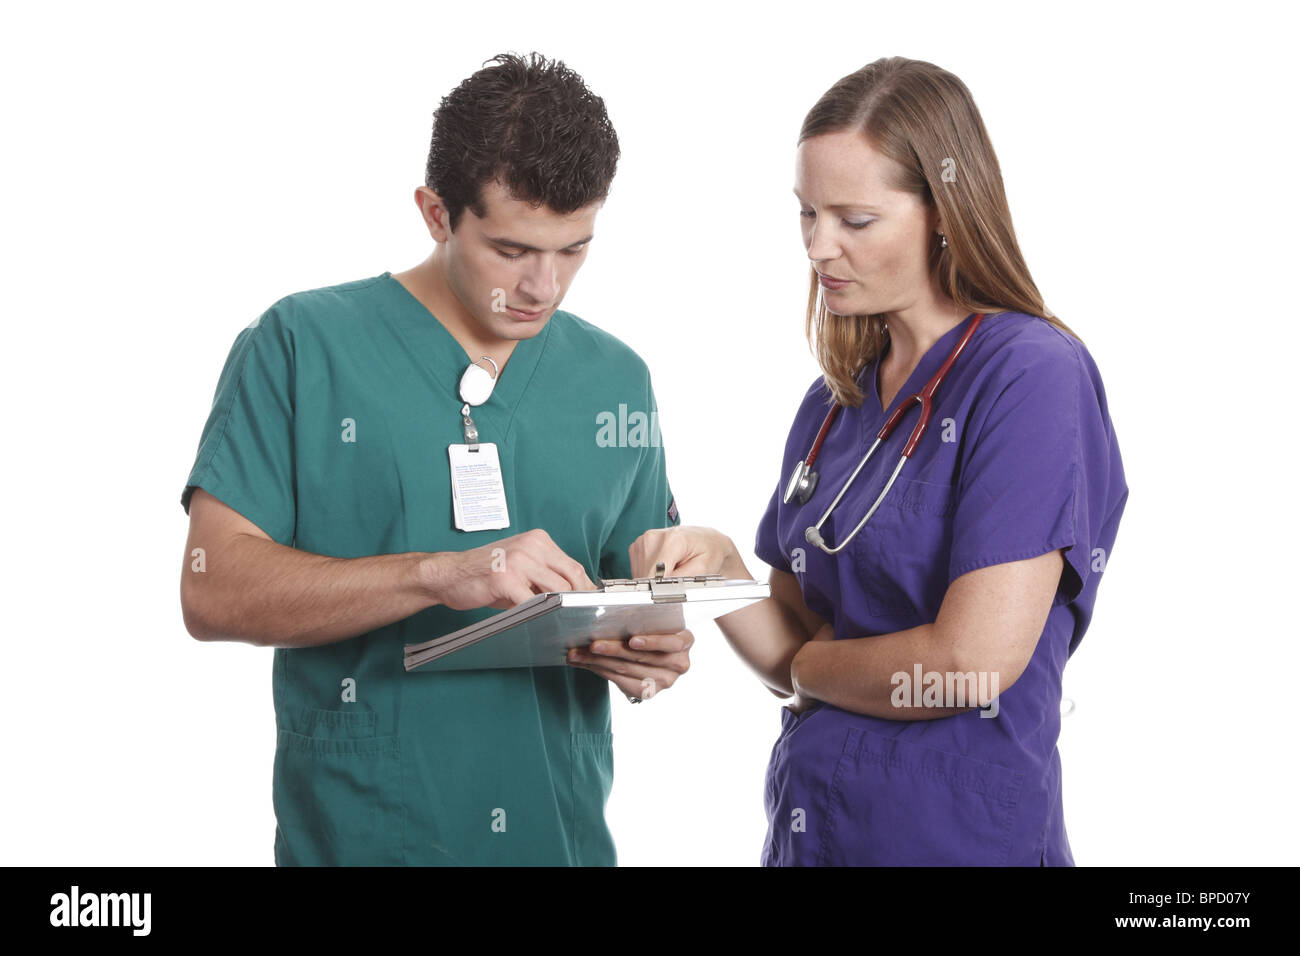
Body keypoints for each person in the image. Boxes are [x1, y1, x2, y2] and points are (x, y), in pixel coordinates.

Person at [178, 52, 689, 866]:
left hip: (559, 839)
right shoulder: (303, 346)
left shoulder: (616, 379)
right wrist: (440, 575)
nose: (543, 286)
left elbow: (630, 596)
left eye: (575, 249)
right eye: (513, 249)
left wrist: (652, 646)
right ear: (435, 212)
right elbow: (212, 588)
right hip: (366, 839)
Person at [621, 57, 1129, 865]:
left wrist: (814, 665)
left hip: (958, 841)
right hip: (815, 830)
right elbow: (789, 652)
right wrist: (716, 573)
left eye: (854, 220)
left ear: (946, 213)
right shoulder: (833, 405)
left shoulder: (1030, 375)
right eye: (806, 215)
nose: (819, 247)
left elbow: (970, 664)